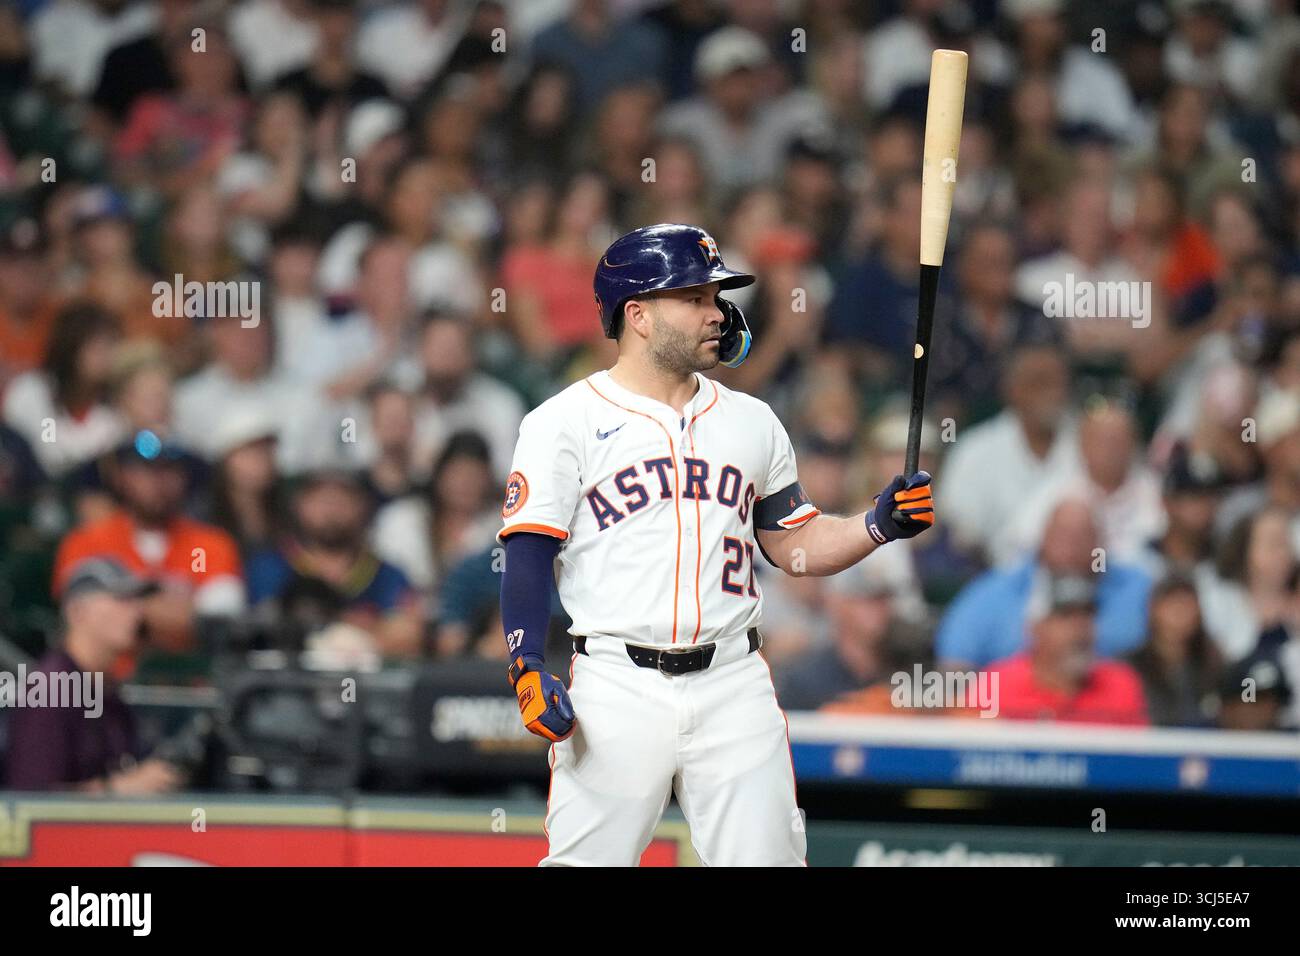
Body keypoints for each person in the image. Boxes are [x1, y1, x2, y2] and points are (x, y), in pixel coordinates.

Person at [497, 223, 936, 866]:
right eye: (695, 298)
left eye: (713, 296)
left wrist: (877, 524)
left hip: (733, 682)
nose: (716, 312)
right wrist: (527, 664)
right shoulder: (564, 422)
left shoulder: (752, 421)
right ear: (639, 314)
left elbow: (794, 546)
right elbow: (529, 550)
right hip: (616, 684)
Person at [53, 430, 246, 655]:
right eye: (145, 470)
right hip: (108, 678)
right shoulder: (86, 542)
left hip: (192, 680)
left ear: (184, 477)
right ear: (122, 476)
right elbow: (83, 619)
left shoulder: (210, 544)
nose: (158, 481)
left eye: (169, 470)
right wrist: (174, 608)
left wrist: (122, 605)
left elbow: (217, 623)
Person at [5, 558, 184, 793]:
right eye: (121, 599)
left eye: (136, 601)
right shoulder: (52, 687)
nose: (136, 612)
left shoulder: (103, 685)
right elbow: (30, 798)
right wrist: (119, 788)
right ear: (78, 611)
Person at [936, 497, 1152, 669]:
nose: (1071, 547)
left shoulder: (1138, 589)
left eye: (1083, 536)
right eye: (1062, 535)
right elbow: (954, 665)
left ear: (1101, 542)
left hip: (1115, 713)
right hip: (1011, 714)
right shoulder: (992, 593)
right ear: (1042, 538)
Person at [990, 573, 1150, 726]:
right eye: (1065, 616)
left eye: (1088, 615)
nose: (1080, 626)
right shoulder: (995, 686)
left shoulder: (1121, 685)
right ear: (1035, 628)